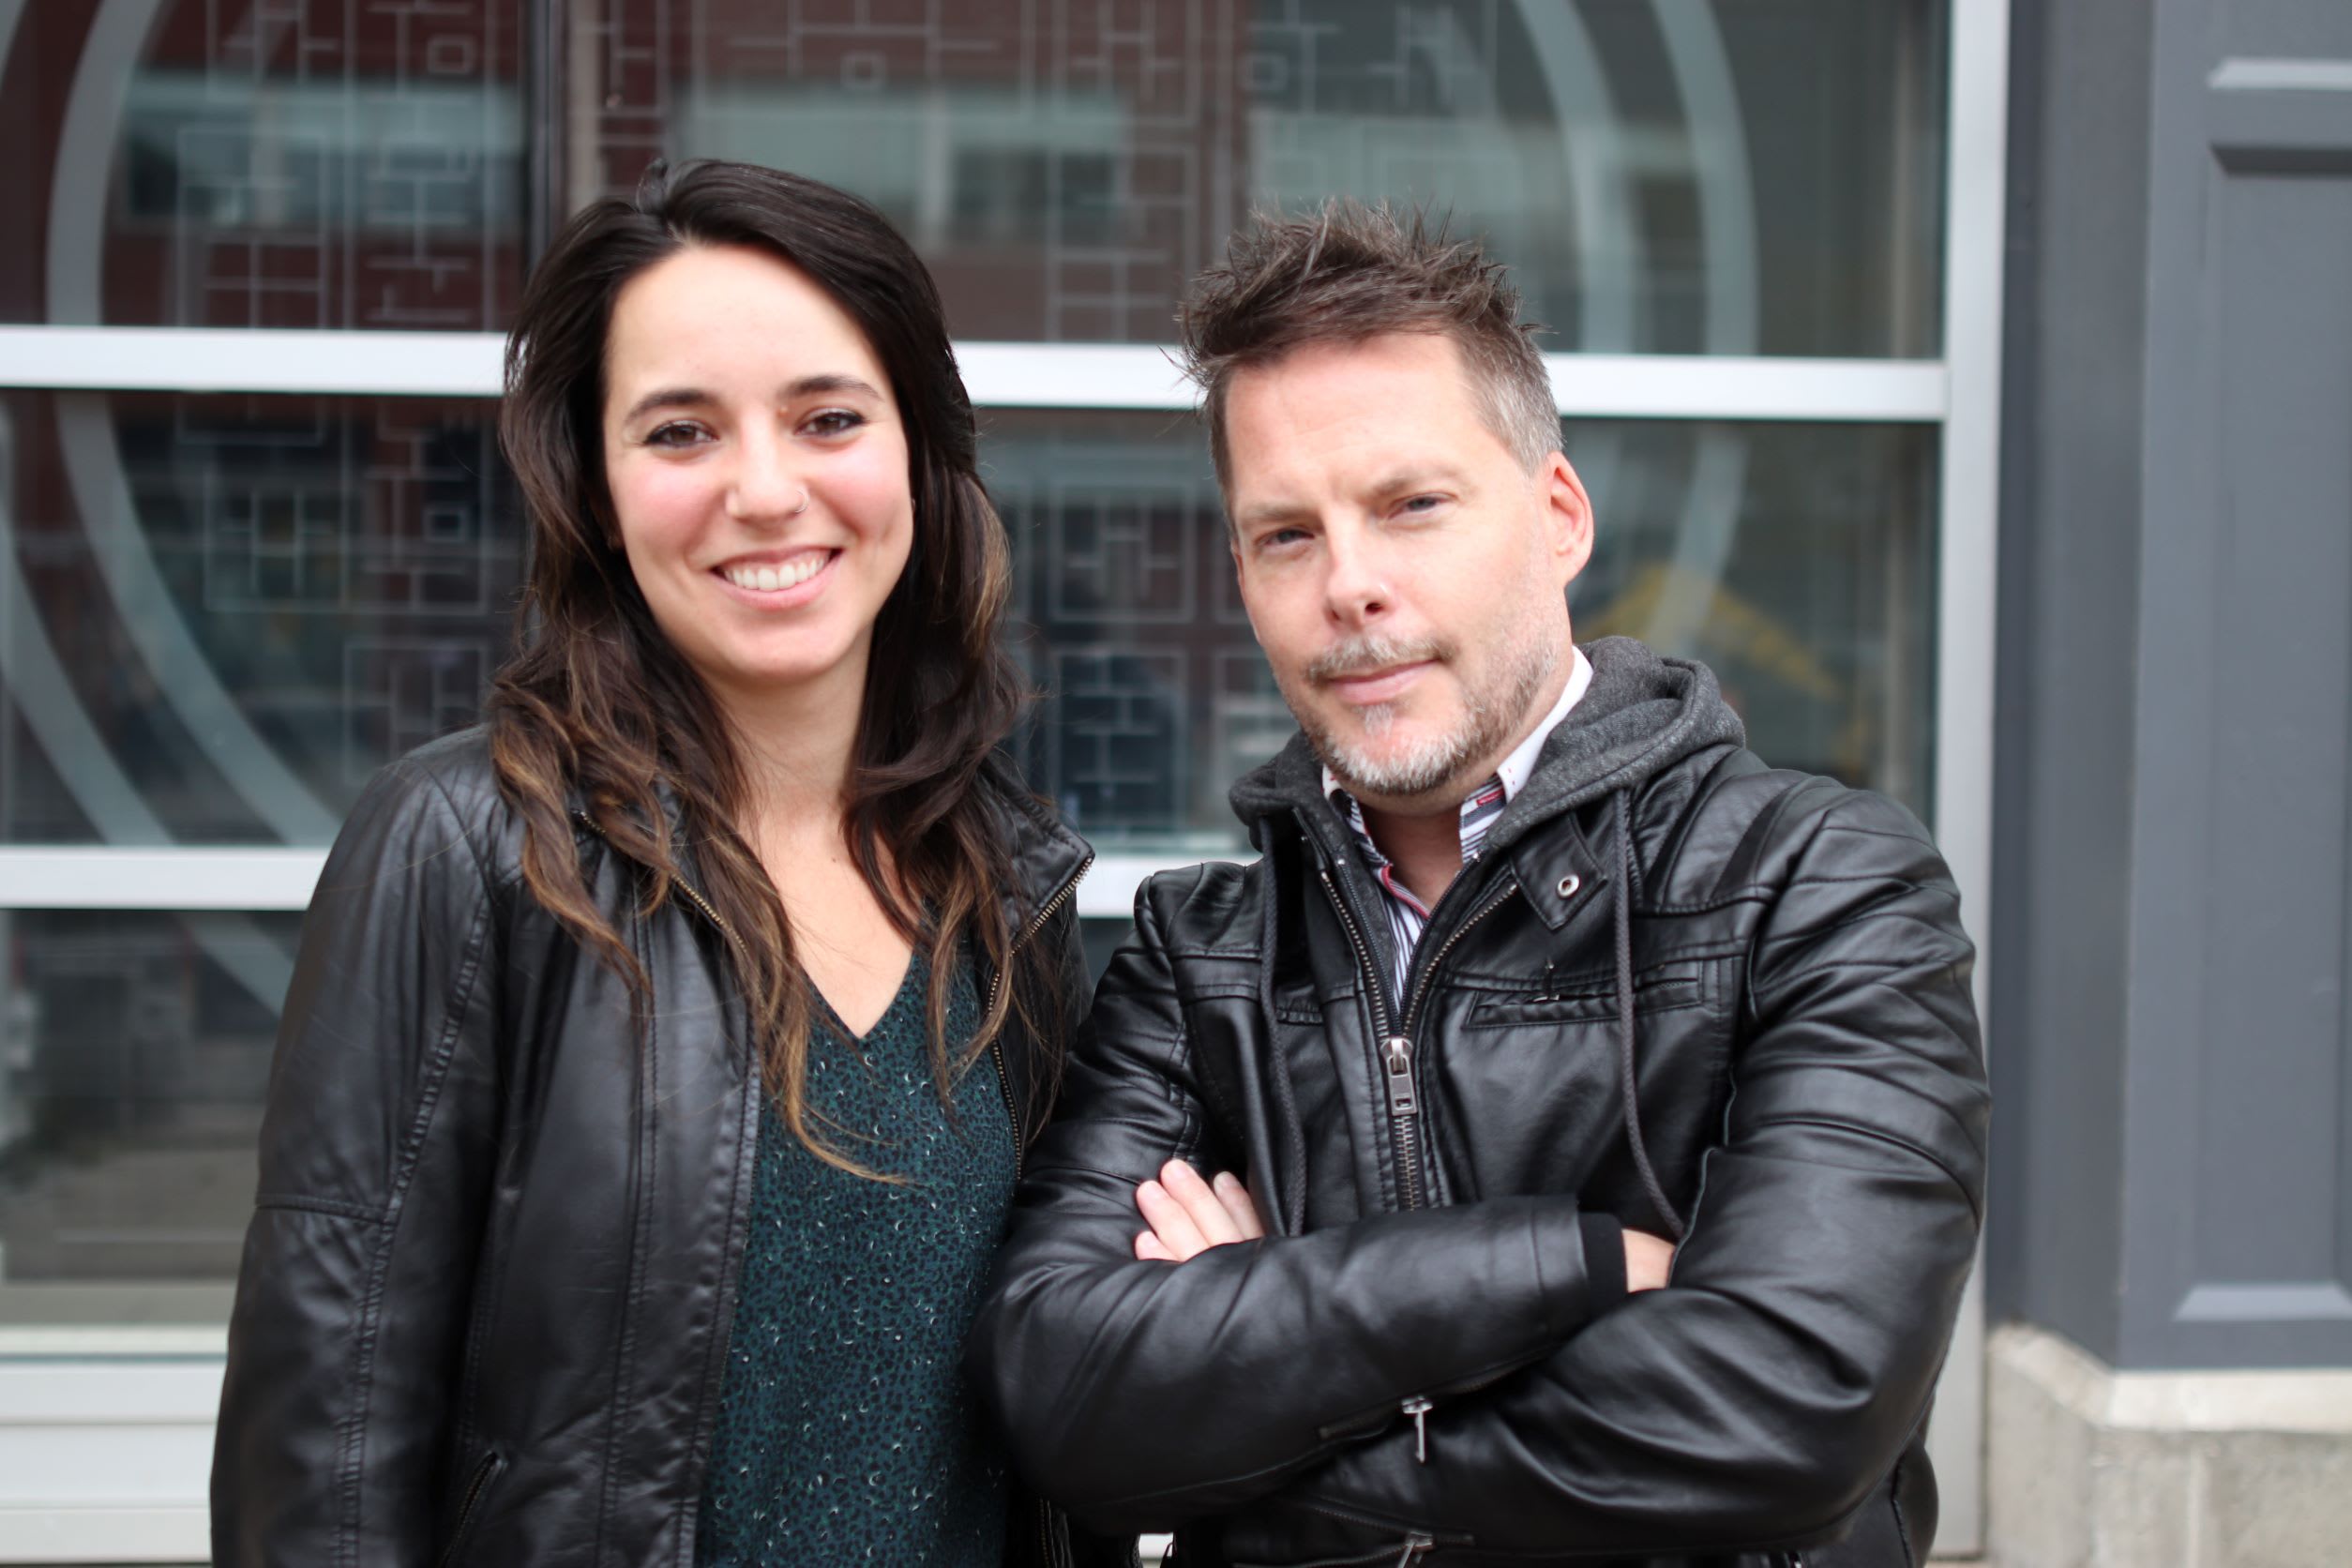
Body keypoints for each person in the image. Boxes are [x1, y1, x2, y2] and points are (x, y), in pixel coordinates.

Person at [971, 203, 1989, 1567]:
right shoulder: (1197, 955)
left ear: (1557, 514)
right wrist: (1572, 1268)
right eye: (1287, 535)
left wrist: (1255, 1370)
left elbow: (1793, 1407)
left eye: (1411, 506)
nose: (1351, 586)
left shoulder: (1815, 888)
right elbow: (1068, 1401)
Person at [211, 160, 1125, 1568]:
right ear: (595, 479)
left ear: (921, 454)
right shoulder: (467, 848)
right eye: (680, 431)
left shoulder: (1002, 887)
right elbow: (321, 1454)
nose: (765, 491)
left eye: (828, 418)